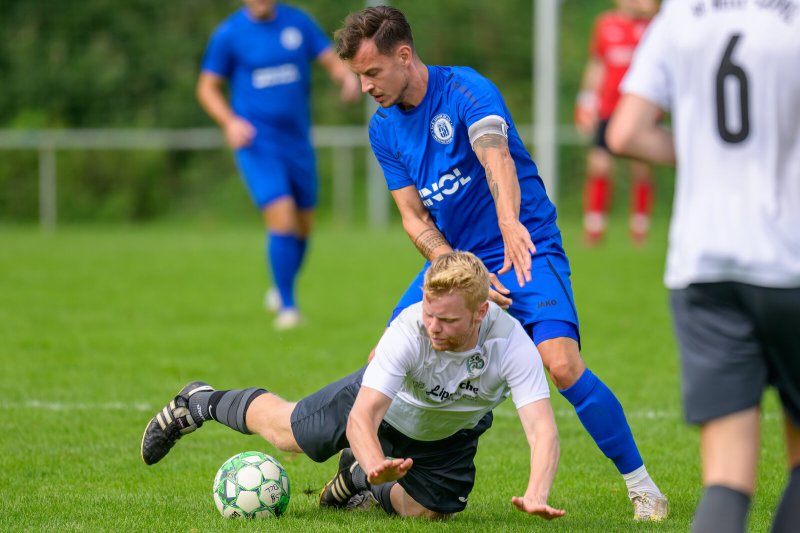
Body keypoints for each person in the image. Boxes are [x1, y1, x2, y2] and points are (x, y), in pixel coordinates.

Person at [334, 5, 667, 521]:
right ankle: (365, 469)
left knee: (560, 362)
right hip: (460, 260)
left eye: (372, 73)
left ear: (404, 55)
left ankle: (643, 487)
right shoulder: (384, 130)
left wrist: (510, 224)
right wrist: (459, 270)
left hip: (525, 247)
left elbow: (496, 157)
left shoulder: (466, 90)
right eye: (359, 77)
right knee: (384, 357)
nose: (365, 87)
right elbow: (412, 215)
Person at [141, 251, 565, 520]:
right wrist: (377, 456)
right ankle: (200, 403)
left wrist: (535, 494)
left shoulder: (512, 344)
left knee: (425, 514)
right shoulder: (409, 329)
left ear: (480, 312)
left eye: (448, 320)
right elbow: (362, 417)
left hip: (448, 436)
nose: (433, 327)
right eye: (430, 314)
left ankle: (359, 478)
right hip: (385, 408)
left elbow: (541, 430)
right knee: (286, 434)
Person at [606, 2, 800, 532]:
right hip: (789, 260)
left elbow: (625, 134)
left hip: (702, 267)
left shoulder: (680, 19)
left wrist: (705, 154)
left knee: (727, 481)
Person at [196, 0, 360, 330]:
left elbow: (329, 59)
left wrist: (346, 77)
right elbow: (207, 87)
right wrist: (229, 122)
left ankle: (280, 283)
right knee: (282, 217)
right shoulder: (229, 34)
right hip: (257, 144)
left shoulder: (297, 23)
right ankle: (287, 306)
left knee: (304, 226)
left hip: (298, 143)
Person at [574, 0, 659, 246]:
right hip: (608, 108)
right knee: (599, 165)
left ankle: (640, 230)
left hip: (639, 108)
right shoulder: (605, 24)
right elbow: (598, 63)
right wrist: (586, 101)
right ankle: (594, 228)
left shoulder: (651, 26)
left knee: (641, 167)